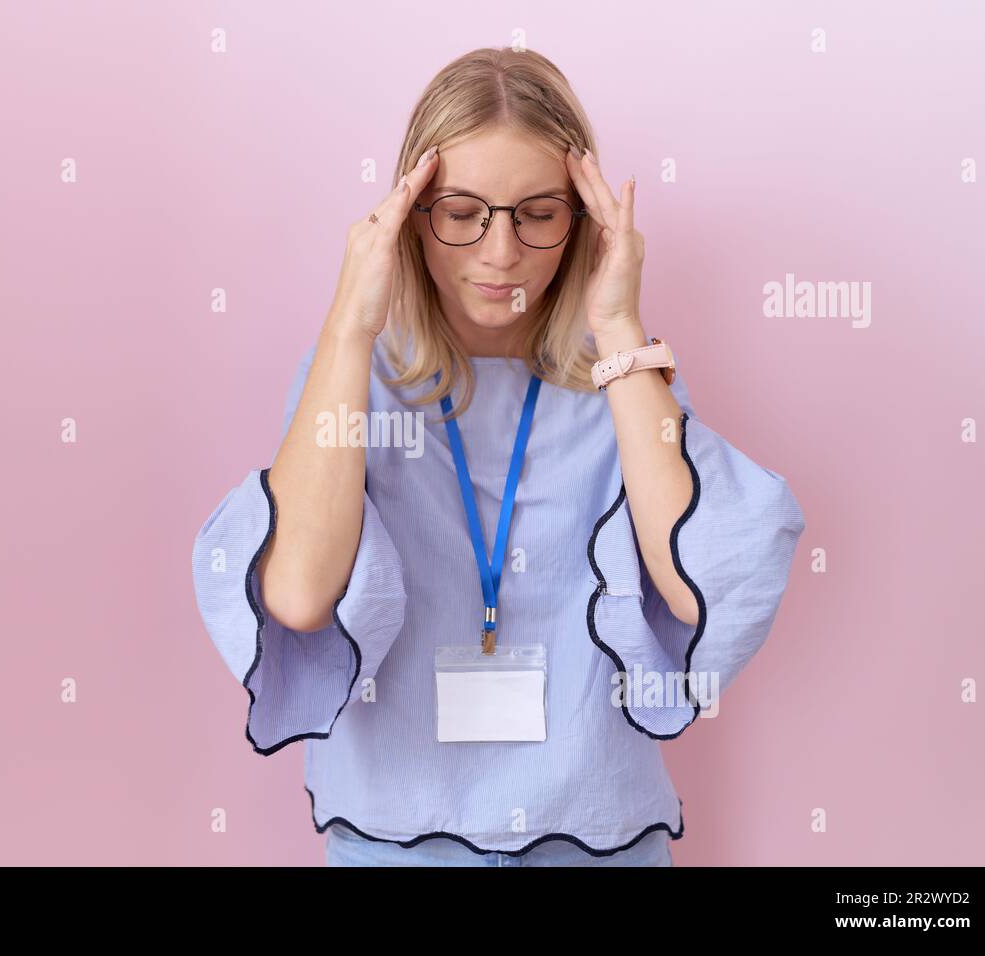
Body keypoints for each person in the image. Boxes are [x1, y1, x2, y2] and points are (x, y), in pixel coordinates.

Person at [190, 47, 805, 867]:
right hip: (392, 840)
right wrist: (349, 320)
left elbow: (697, 590)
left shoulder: (625, 375)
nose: (501, 251)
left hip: (598, 838)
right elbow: (299, 596)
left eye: (538, 213)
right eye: (462, 211)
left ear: (581, 219)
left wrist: (619, 325)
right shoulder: (356, 372)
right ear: (412, 215)